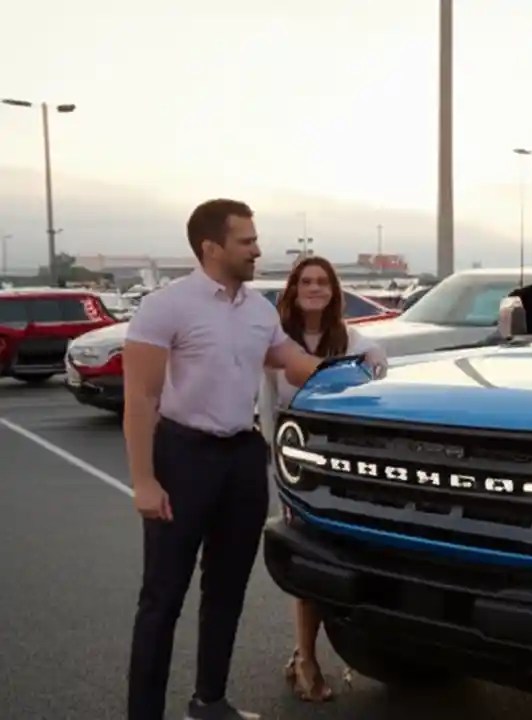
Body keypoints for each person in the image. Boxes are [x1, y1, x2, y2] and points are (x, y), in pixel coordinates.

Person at [122, 199, 379, 720]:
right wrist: (144, 480)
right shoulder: (166, 307)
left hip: (241, 456)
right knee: (163, 597)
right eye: (247, 241)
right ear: (211, 247)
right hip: (183, 454)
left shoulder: (259, 311)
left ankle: (209, 702)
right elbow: (140, 400)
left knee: (226, 590)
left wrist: (356, 374)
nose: (258, 249)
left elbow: (294, 363)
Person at [258, 256, 386, 702]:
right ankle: (306, 659)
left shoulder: (350, 338)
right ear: (293, 290)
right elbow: (268, 407)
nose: (314, 288)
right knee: (308, 567)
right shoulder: (276, 341)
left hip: (344, 473)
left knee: (347, 561)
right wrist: (280, 469)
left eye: (323, 282)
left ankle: (354, 652)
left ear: (334, 291)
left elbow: (378, 371)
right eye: (306, 281)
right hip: (298, 469)